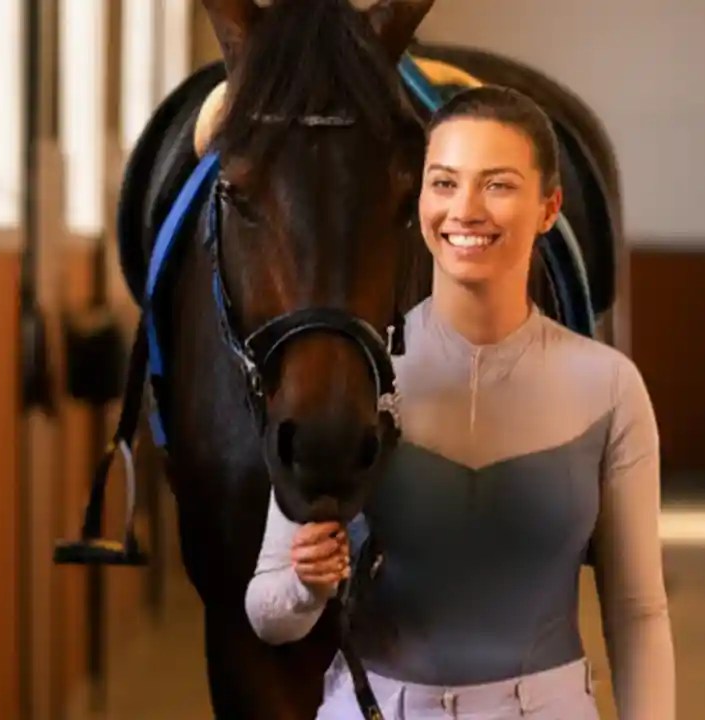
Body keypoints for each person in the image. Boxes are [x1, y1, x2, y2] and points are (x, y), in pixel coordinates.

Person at [244, 85, 676, 720]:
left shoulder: (608, 386)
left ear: (549, 206)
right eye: (443, 183)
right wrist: (306, 588)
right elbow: (267, 613)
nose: (465, 210)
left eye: (497, 185)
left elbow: (638, 610)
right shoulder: (353, 377)